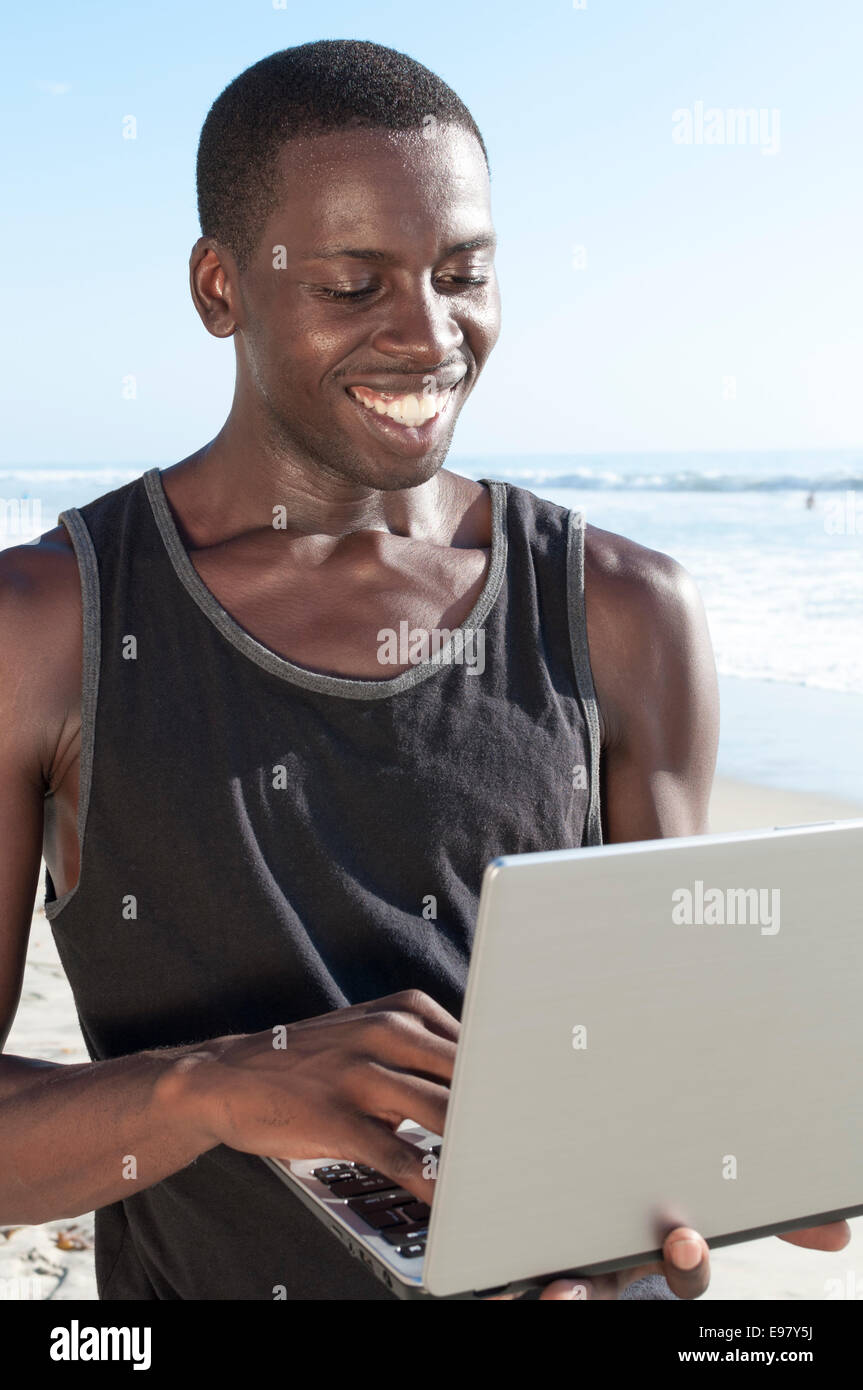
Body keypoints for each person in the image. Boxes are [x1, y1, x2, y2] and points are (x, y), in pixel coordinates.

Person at [0, 39, 847, 1301]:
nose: (429, 333)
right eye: (354, 284)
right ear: (219, 286)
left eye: (463, 274)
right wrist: (219, 1087)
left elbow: (650, 1073)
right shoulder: (48, 627)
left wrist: (654, 1212)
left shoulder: (625, 610)